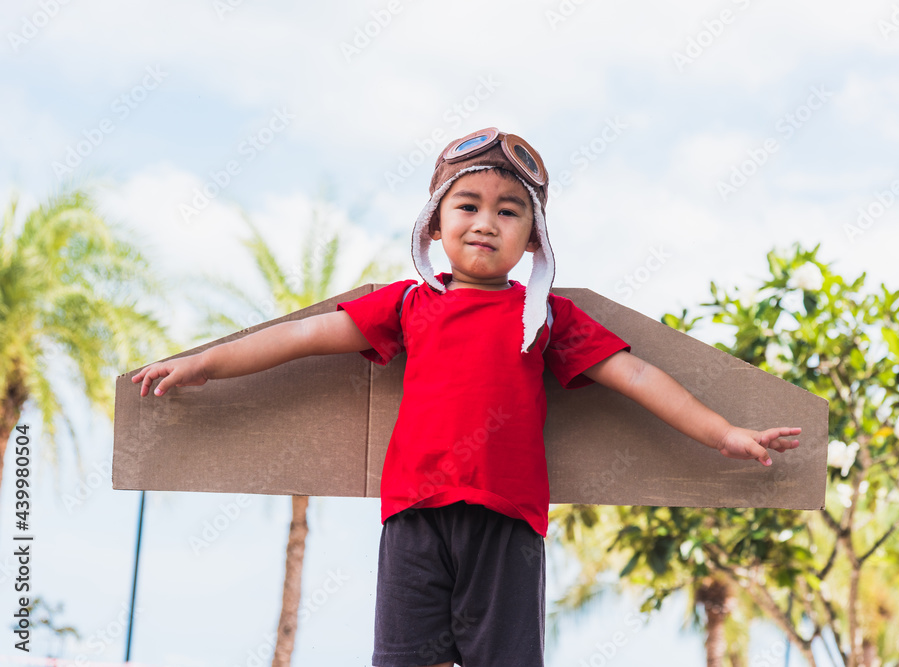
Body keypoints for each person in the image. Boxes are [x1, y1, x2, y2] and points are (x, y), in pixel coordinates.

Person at [133, 127, 801, 667]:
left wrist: (723, 433)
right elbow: (307, 335)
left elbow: (637, 376)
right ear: (434, 223)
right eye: (468, 205)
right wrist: (207, 363)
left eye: (508, 212)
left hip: (507, 526)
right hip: (414, 522)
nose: (486, 222)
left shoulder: (543, 318)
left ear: (532, 238)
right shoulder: (408, 303)